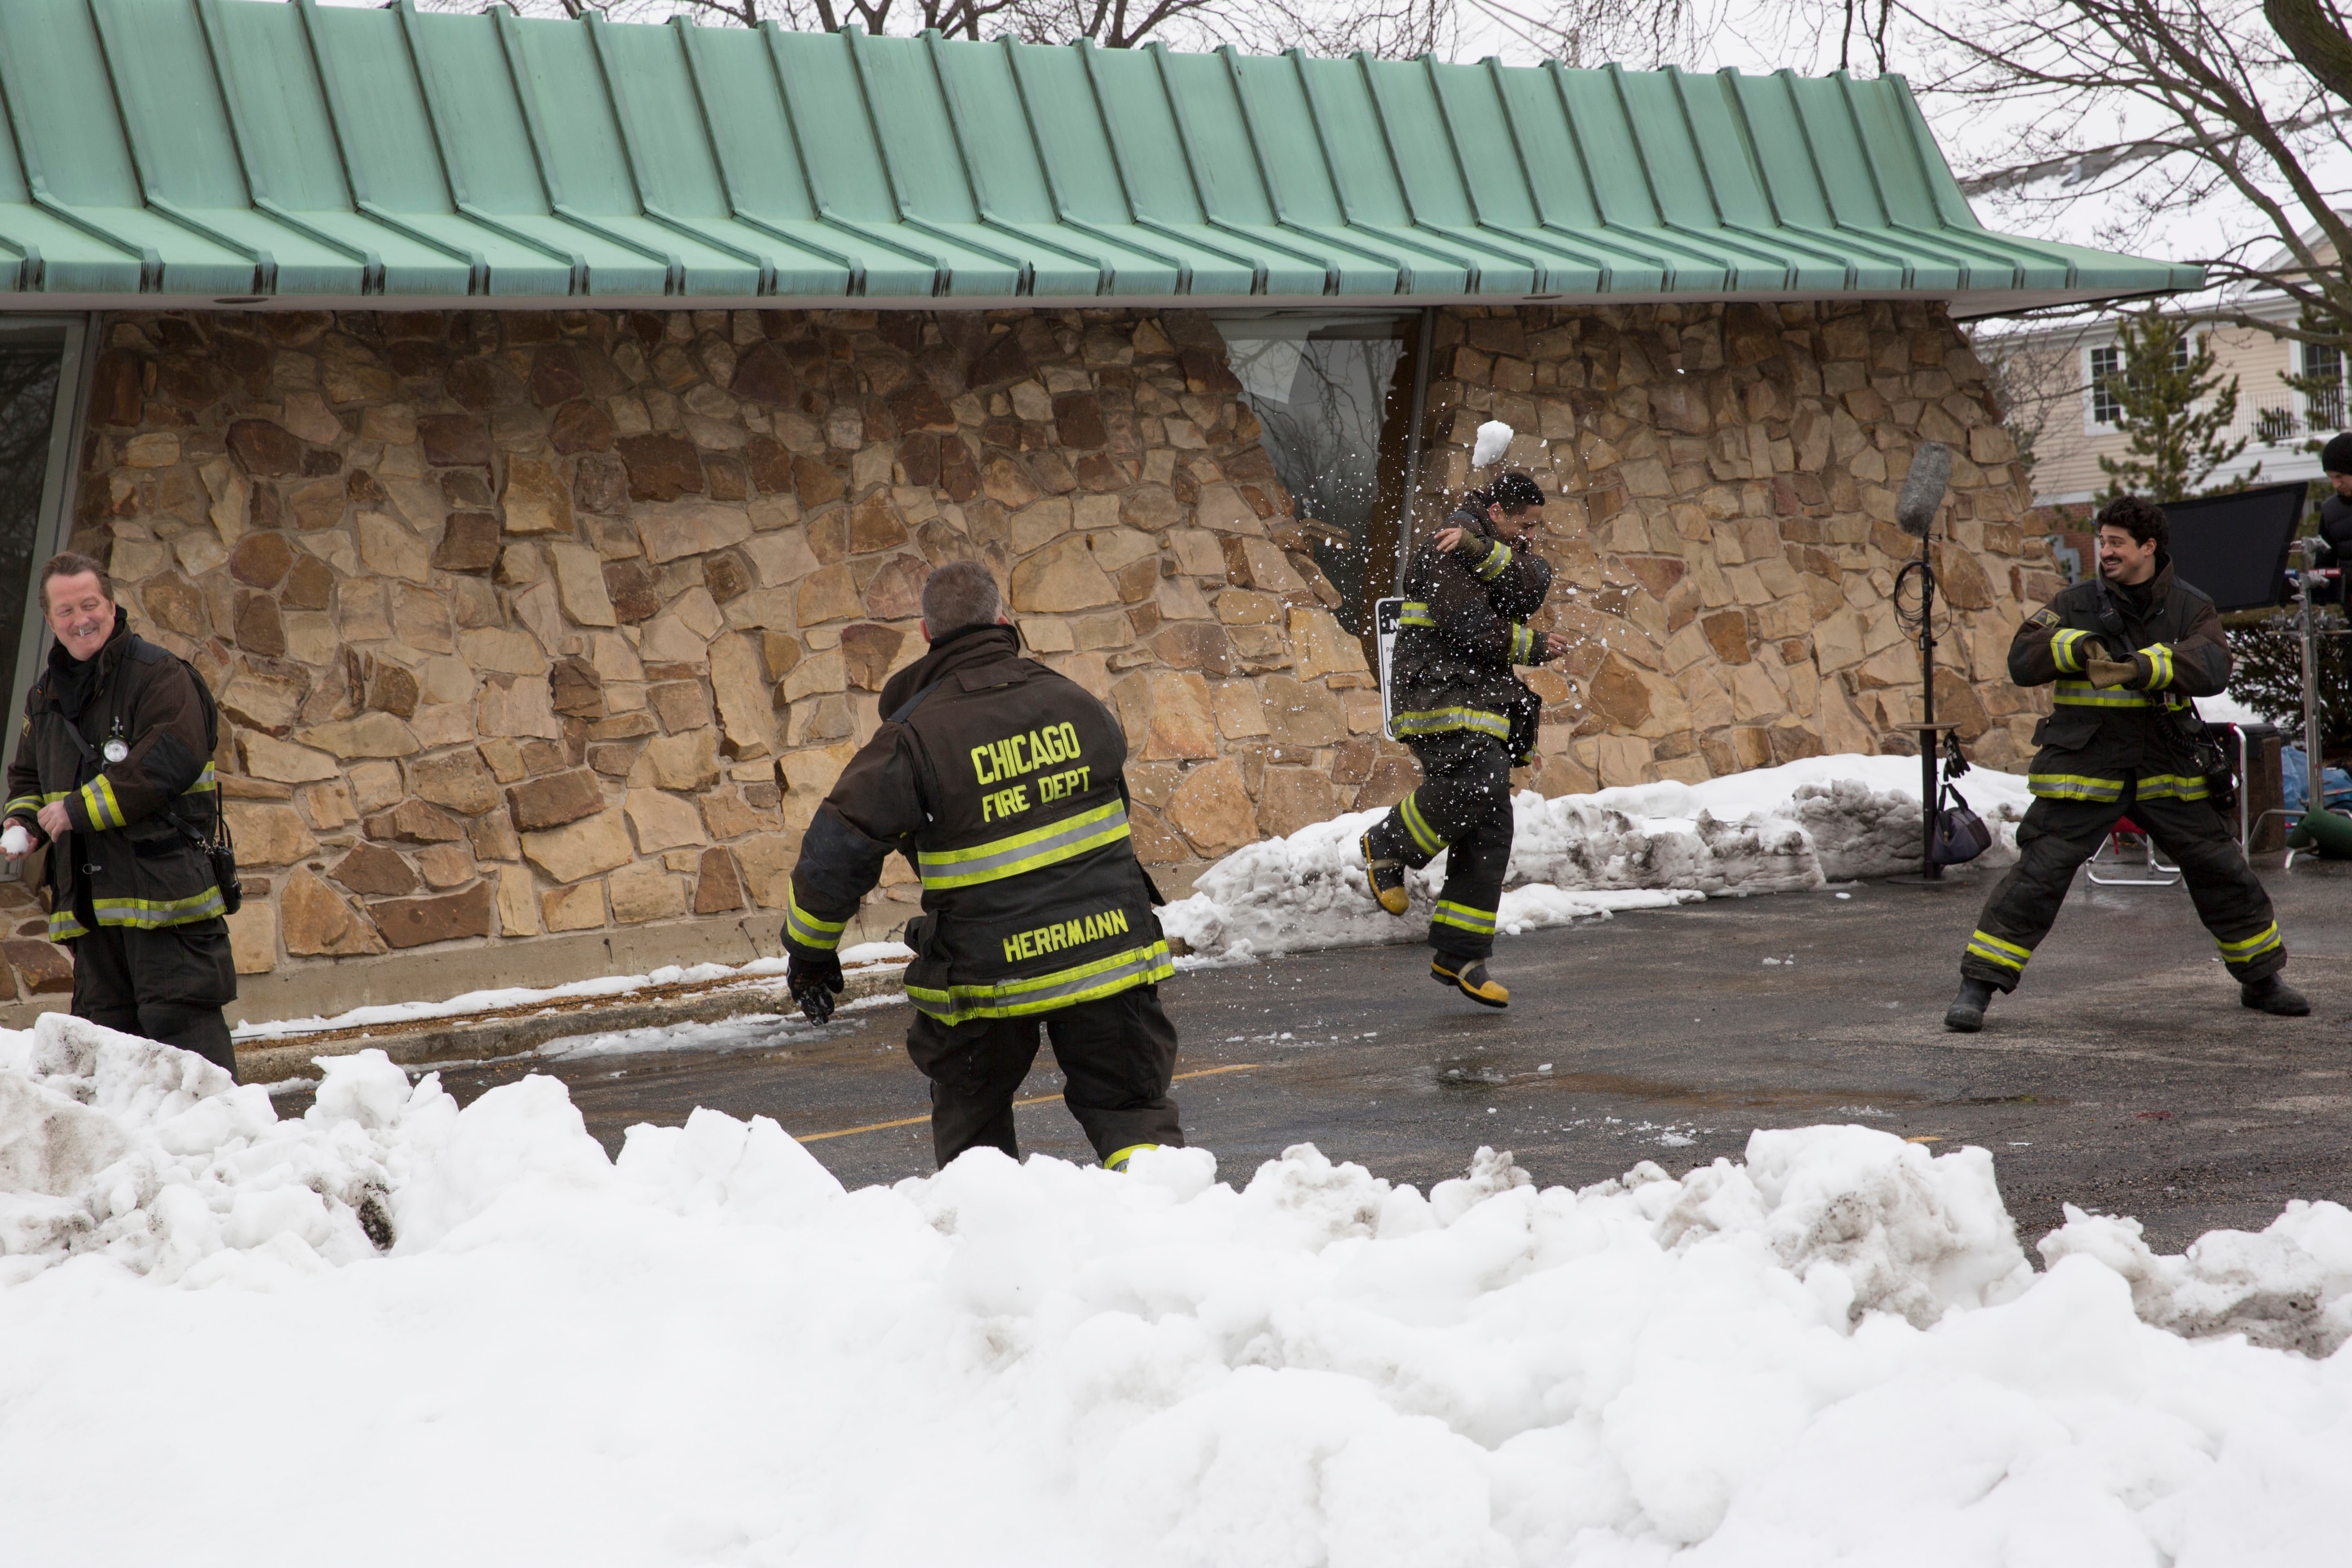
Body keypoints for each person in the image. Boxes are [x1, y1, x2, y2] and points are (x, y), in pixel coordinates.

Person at [777, 559, 1183, 1171]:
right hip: (1108, 955)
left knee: (974, 1121)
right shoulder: (1079, 705)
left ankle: (995, 1244)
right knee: (1131, 1113)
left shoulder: (911, 738)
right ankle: (1170, 1232)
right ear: (1003, 620)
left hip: (984, 975)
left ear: (924, 634)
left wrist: (810, 953)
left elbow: (838, 848)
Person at [1945, 495, 2309, 1031]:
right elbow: (2023, 659)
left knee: (2221, 869)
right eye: (2103, 541)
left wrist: (2147, 666)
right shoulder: (2074, 604)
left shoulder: (2191, 606)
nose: (2106, 551)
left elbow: (2213, 666)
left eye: (2117, 542)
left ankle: (2261, 980)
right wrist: (2076, 647)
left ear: (2149, 547)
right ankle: (1976, 986)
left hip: (2166, 765)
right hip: (2087, 766)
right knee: (2038, 874)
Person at [3, 553, 238, 1074]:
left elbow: (167, 762)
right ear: (49, 620)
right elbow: (28, 779)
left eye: (90, 604)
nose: (80, 619)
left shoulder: (160, 675)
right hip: (91, 912)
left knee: (184, 1044)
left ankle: (220, 1150)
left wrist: (75, 810)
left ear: (111, 604)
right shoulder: (44, 694)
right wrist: (22, 821)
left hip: (168, 902)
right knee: (110, 1054)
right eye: (65, 611)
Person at [1360, 470, 1568, 1008]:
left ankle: (1461, 955)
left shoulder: (1480, 545)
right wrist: (1535, 645)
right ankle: (1386, 844)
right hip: (1437, 700)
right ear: (1497, 512)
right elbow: (1468, 627)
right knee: (1480, 782)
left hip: (1476, 704)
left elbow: (1533, 581)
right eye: (1525, 524)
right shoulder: (1442, 549)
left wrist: (1486, 549)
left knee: (1493, 825)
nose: (1529, 537)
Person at [2313, 432, 2352, 598]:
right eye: (2331, 478)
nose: (2335, 484)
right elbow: (2322, 571)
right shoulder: (2330, 512)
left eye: (2339, 476)